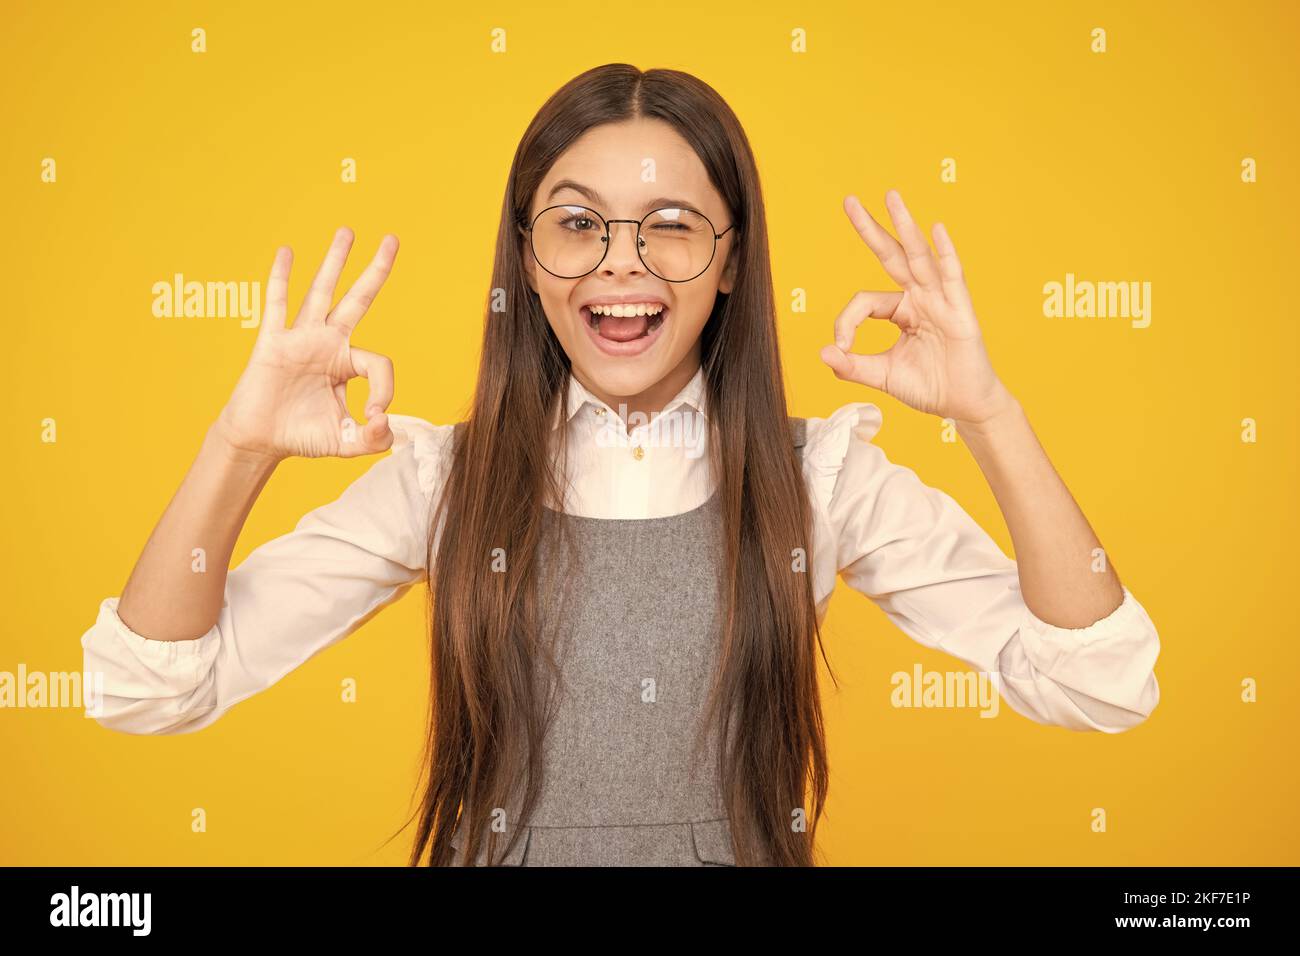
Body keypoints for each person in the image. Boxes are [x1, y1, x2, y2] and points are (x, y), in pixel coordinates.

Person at [80, 63, 1160, 867]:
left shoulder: (821, 478)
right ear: (527, 256)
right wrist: (240, 448)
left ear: (732, 260)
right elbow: (148, 688)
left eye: (672, 226)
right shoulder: (441, 482)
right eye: (577, 225)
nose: (622, 264)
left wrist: (987, 411)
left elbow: (1095, 681)